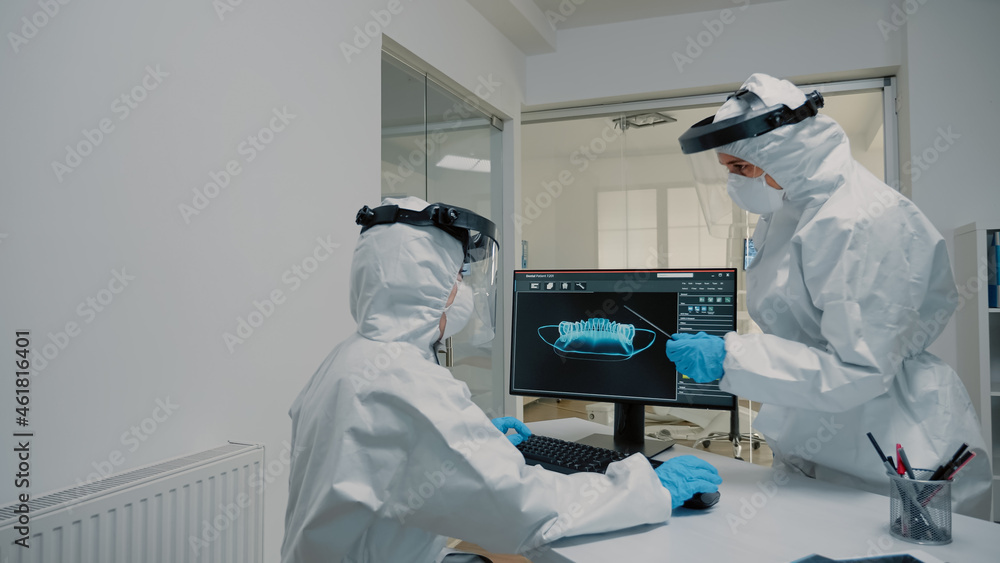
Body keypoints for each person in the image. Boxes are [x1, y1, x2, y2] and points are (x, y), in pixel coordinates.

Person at [280, 196, 722, 563]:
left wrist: (475, 442)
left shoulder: (350, 358)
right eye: (458, 276)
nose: (463, 290)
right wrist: (647, 487)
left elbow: (389, 461)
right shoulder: (403, 383)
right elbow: (523, 509)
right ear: (424, 287)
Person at [668, 73, 992, 518]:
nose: (734, 183)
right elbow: (806, 334)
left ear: (784, 152)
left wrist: (731, 359)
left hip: (892, 454)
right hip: (820, 435)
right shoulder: (792, 207)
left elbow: (859, 370)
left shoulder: (859, 221)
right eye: (727, 170)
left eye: (740, 168)